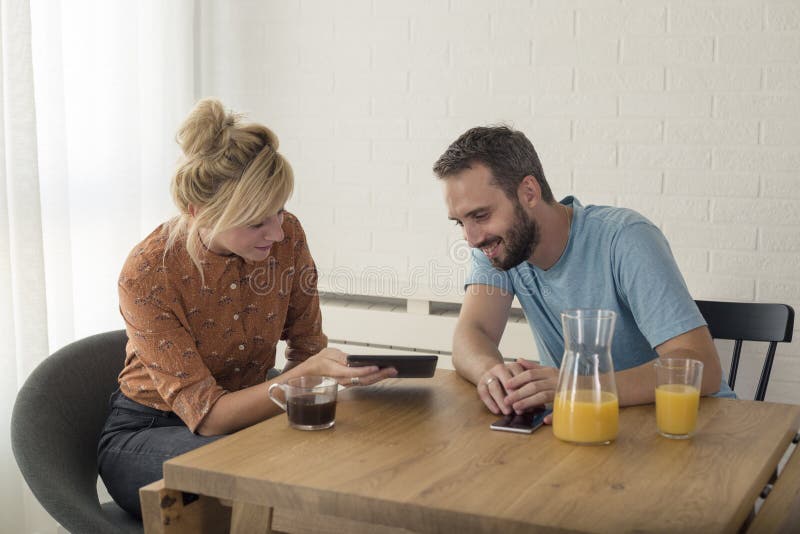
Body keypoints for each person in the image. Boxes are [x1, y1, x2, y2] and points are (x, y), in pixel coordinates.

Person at [97, 99, 396, 518]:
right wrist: (308, 376)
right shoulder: (149, 272)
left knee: (345, 448)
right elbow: (210, 418)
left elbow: (307, 346)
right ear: (199, 213)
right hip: (152, 430)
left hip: (244, 416)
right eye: (256, 221)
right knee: (264, 470)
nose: (276, 231)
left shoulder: (286, 236)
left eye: (279, 210)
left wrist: (333, 379)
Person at [432, 125, 734, 420]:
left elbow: (702, 367)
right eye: (460, 222)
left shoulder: (625, 239)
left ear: (528, 192)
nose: (471, 238)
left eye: (481, 215)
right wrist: (491, 374)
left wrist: (579, 387)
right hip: (594, 425)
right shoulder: (497, 248)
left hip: (690, 425)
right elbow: (472, 333)